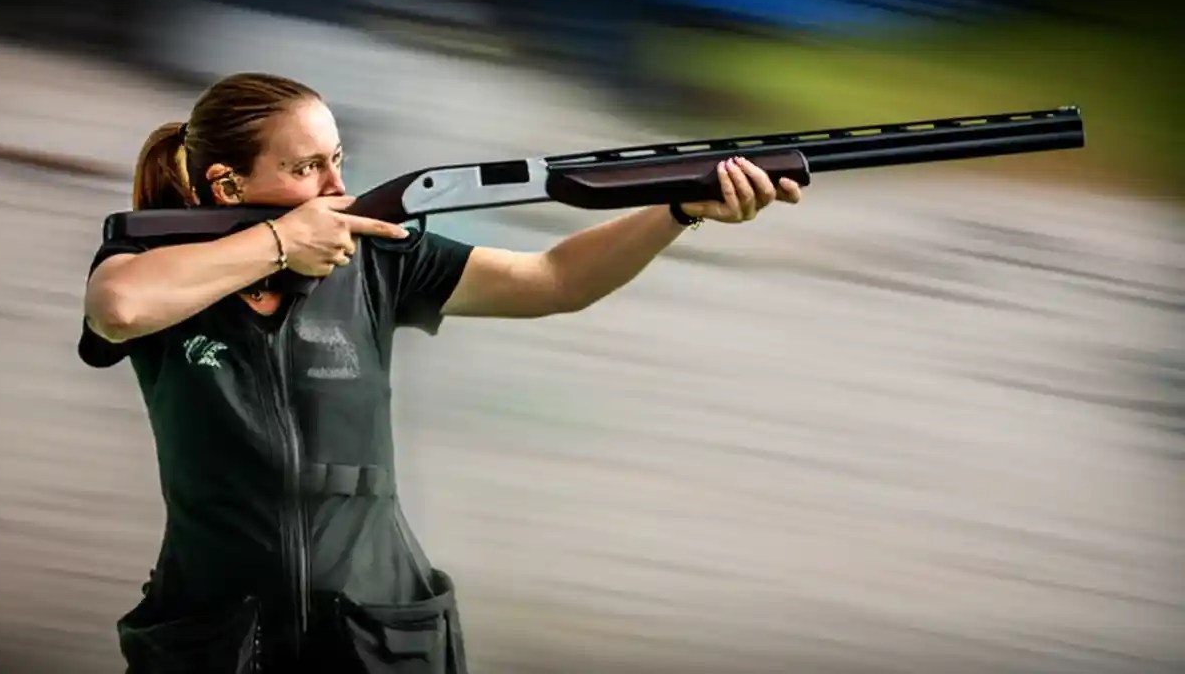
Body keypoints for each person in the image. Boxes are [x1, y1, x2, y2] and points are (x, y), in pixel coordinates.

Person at [79, 71, 802, 673]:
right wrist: (281, 240)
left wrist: (675, 210)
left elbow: (553, 280)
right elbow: (117, 308)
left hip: (380, 634)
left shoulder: (378, 258)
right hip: (215, 639)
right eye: (306, 169)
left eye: (339, 158)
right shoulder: (157, 268)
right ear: (227, 187)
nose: (337, 185)